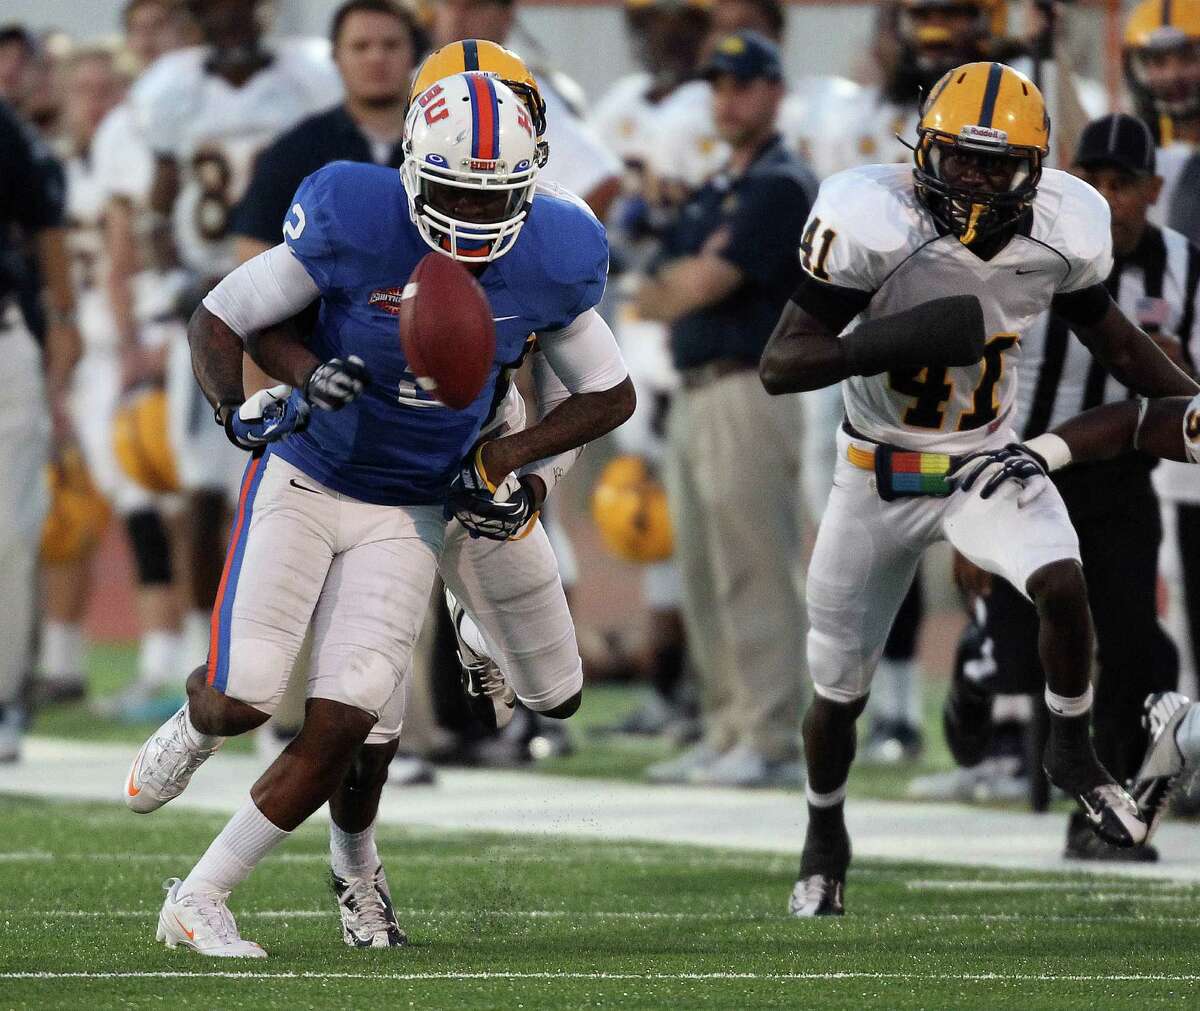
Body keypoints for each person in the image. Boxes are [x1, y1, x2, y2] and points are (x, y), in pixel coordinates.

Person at [123, 71, 633, 957]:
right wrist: (250, 402)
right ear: (412, 169)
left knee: (349, 717)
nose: (472, 213)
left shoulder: (555, 250)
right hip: (309, 476)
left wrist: (506, 459)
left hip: (413, 508)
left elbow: (610, 391)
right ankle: (197, 723)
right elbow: (226, 315)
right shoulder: (354, 214)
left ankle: (200, 894)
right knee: (243, 697)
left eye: (492, 195)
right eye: (454, 190)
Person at [760, 61, 1200, 917]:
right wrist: (899, 338)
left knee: (1062, 581)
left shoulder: (1065, 229)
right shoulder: (871, 218)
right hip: (876, 471)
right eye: (960, 158)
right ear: (925, 150)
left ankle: (1069, 747)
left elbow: (1116, 343)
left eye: (996, 166)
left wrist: (1189, 403)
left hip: (984, 461)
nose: (974, 180)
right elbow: (783, 363)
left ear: (1033, 170)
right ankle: (824, 834)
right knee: (838, 693)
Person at [946, 113, 1196, 861]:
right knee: (1023, 661)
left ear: (1153, 190)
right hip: (1020, 467)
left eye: (1124, 183)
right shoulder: (1031, 250)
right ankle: (978, 662)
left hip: (1120, 478)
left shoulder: (1184, 266)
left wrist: (1178, 368)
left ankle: (1100, 816)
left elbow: (1187, 396)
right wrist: (964, 507)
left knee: (1132, 650)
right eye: (1095, 180)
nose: (1108, 198)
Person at [130, 0, 343, 673]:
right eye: (211, 6)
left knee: (298, 472)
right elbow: (158, 204)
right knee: (204, 486)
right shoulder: (172, 87)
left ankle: (296, 642)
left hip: (293, 298)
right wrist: (171, 278)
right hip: (210, 299)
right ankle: (203, 643)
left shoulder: (311, 77)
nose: (225, 17)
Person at [635, 31, 814, 788]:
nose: (727, 99)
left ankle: (770, 734)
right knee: (704, 571)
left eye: (743, 84)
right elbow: (657, 276)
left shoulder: (781, 183)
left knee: (752, 562)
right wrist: (668, 283)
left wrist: (668, 285)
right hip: (695, 385)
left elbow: (694, 285)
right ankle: (726, 725)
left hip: (749, 383)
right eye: (719, 85)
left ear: (775, 91)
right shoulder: (718, 187)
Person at [0, 95, 81, 761]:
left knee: (9, 532)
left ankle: (2, 697)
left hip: (5, 334)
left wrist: (62, 319)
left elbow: (46, 225)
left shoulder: (5, 129)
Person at [233, 0, 423, 262]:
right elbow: (251, 246)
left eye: (391, 45)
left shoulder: (447, 142)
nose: (376, 57)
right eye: (360, 46)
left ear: (414, 53)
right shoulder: (296, 149)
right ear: (335, 56)